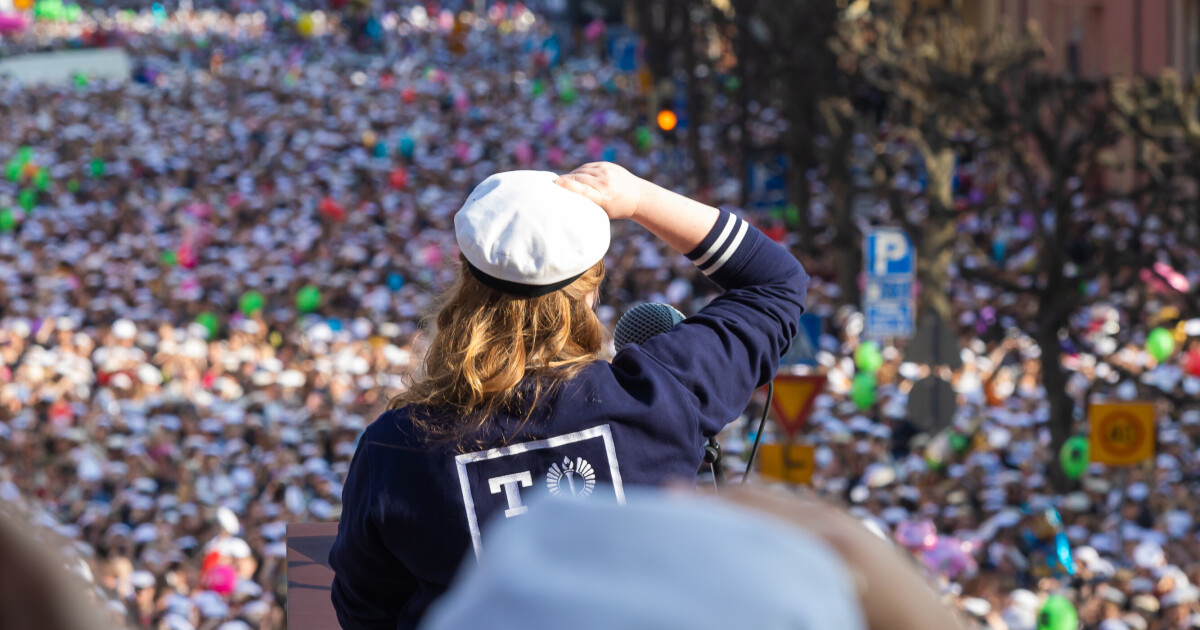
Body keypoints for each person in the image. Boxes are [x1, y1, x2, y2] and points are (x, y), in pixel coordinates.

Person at [328, 162, 810, 628]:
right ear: (590, 287)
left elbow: (365, 611)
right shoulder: (659, 393)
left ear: (464, 283)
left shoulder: (396, 447)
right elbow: (777, 283)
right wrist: (640, 198)